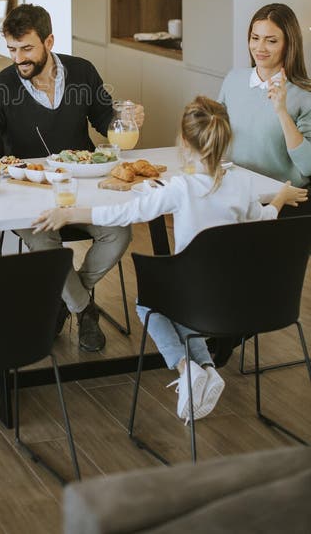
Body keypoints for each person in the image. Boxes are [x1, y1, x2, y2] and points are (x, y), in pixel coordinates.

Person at [33, 95, 307, 422]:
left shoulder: (181, 187)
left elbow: (126, 213)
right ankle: (206, 369)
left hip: (194, 300)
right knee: (175, 295)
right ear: (225, 141)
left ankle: (184, 366)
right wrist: (280, 197)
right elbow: (261, 219)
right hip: (238, 298)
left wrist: (71, 213)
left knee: (149, 303)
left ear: (184, 143)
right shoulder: (242, 183)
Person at [0, 3, 144, 353]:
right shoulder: (0, 87)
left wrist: (128, 118)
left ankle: (65, 300)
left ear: (49, 41)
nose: (19, 59)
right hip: (24, 192)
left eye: (27, 48)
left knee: (119, 232)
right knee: (45, 242)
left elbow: (105, 117)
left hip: (79, 189)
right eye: (12, 50)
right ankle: (85, 309)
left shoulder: (82, 72)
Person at [219, 2, 311, 190]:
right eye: (255, 38)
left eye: (271, 41)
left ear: (288, 44)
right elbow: (212, 132)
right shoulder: (234, 79)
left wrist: (282, 111)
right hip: (233, 187)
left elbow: (308, 166)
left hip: (280, 198)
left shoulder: (304, 96)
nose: (260, 48)